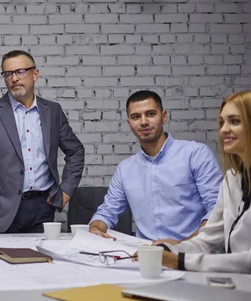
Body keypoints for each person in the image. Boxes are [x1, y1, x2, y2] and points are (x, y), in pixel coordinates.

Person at [0, 50, 85, 234]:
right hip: (0, 209)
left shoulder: (53, 111)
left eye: (20, 71)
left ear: (35, 74)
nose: (14, 78)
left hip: (43, 208)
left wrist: (66, 190)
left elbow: (75, 151)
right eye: (8, 74)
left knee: (41, 261)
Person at [89, 90, 222, 242]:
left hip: (191, 253)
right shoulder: (125, 169)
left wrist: (183, 245)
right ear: (129, 123)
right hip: (144, 254)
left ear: (164, 117)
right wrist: (95, 228)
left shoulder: (196, 154)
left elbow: (217, 210)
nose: (144, 122)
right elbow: (107, 212)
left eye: (150, 114)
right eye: (136, 117)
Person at [157, 90, 251, 273]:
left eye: (235, 121)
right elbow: (209, 240)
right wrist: (167, 250)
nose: (224, 129)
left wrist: (181, 261)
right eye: (222, 122)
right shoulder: (232, 180)